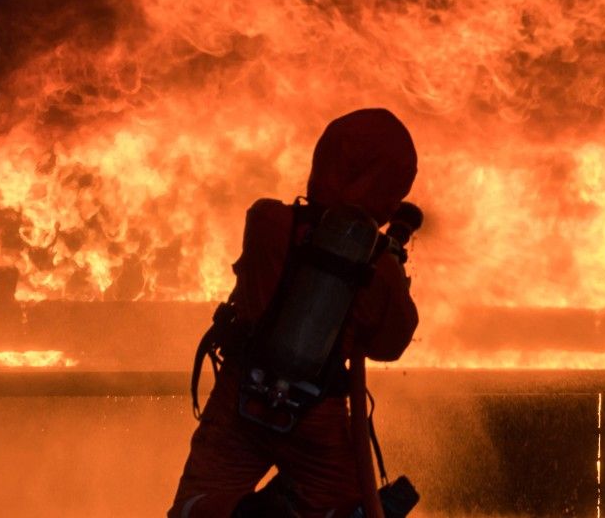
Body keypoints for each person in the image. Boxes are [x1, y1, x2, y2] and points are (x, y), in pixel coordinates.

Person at [170, 109, 421, 518]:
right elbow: (389, 346)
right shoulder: (381, 269)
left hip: (241, 396)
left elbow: (250, 300)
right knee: (343, 509)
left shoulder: (268, 220)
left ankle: (258, 515)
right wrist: (389, 281)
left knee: (195, 507)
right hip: (316, 414)